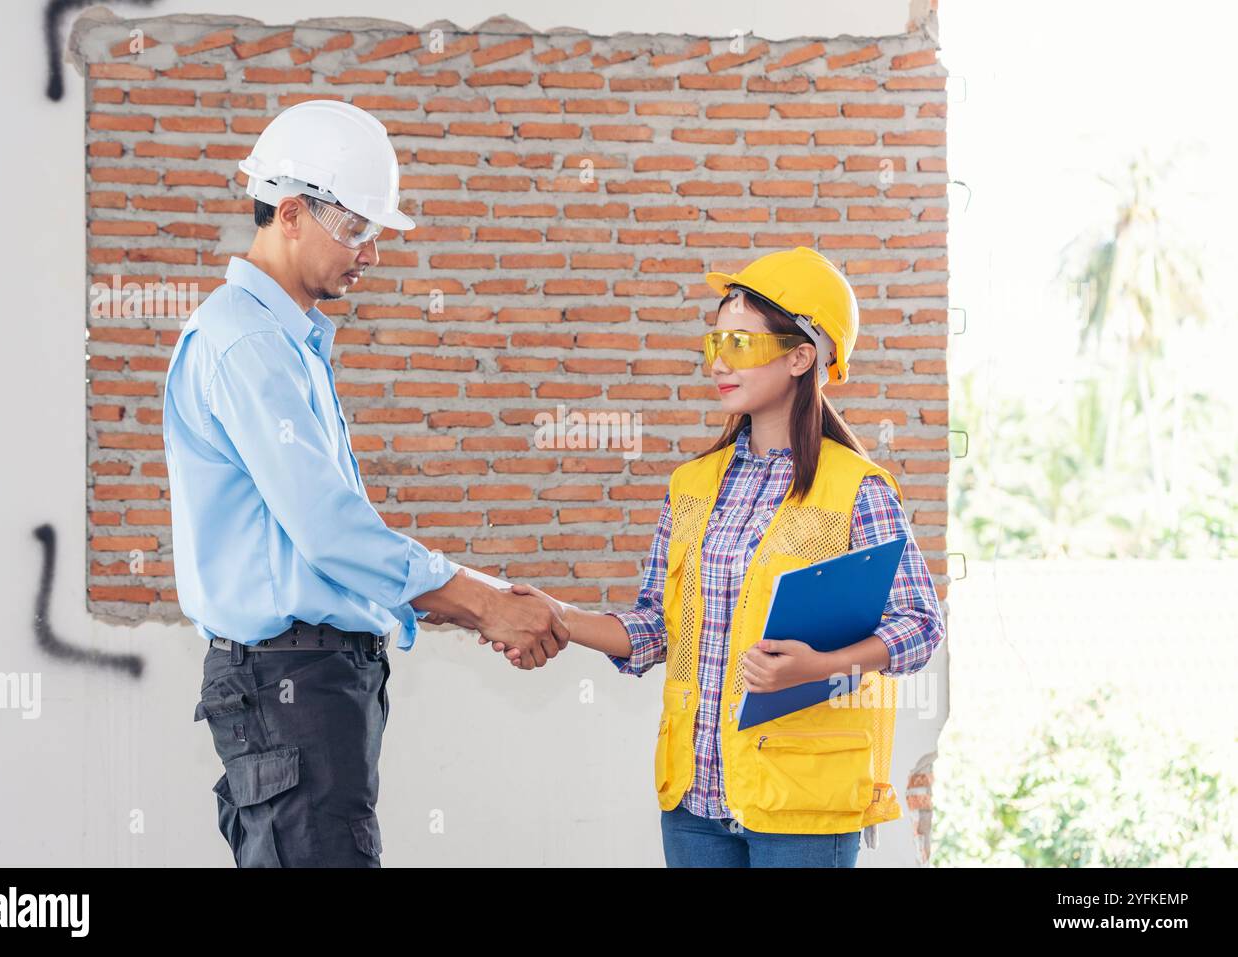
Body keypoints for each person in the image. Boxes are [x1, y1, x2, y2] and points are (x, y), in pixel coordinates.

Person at [163, 100, 567, 868]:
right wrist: (483, 601)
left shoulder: (288, 342)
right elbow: (331, 532)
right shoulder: (249, 344)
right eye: (354, 229)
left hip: (310, 681)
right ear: (289, 212)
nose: (369, 253)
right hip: (289, 682)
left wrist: (474, 601)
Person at [488, 247, 946, 867]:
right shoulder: (692, 486)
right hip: (694, 803)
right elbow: (657, 628)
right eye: (714, 342)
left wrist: (822, 665)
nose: (719, 361)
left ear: (800, 356)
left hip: (803, 807)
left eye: (741, 343)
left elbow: (920, 624)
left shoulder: (858, 489)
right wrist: (558, 616)